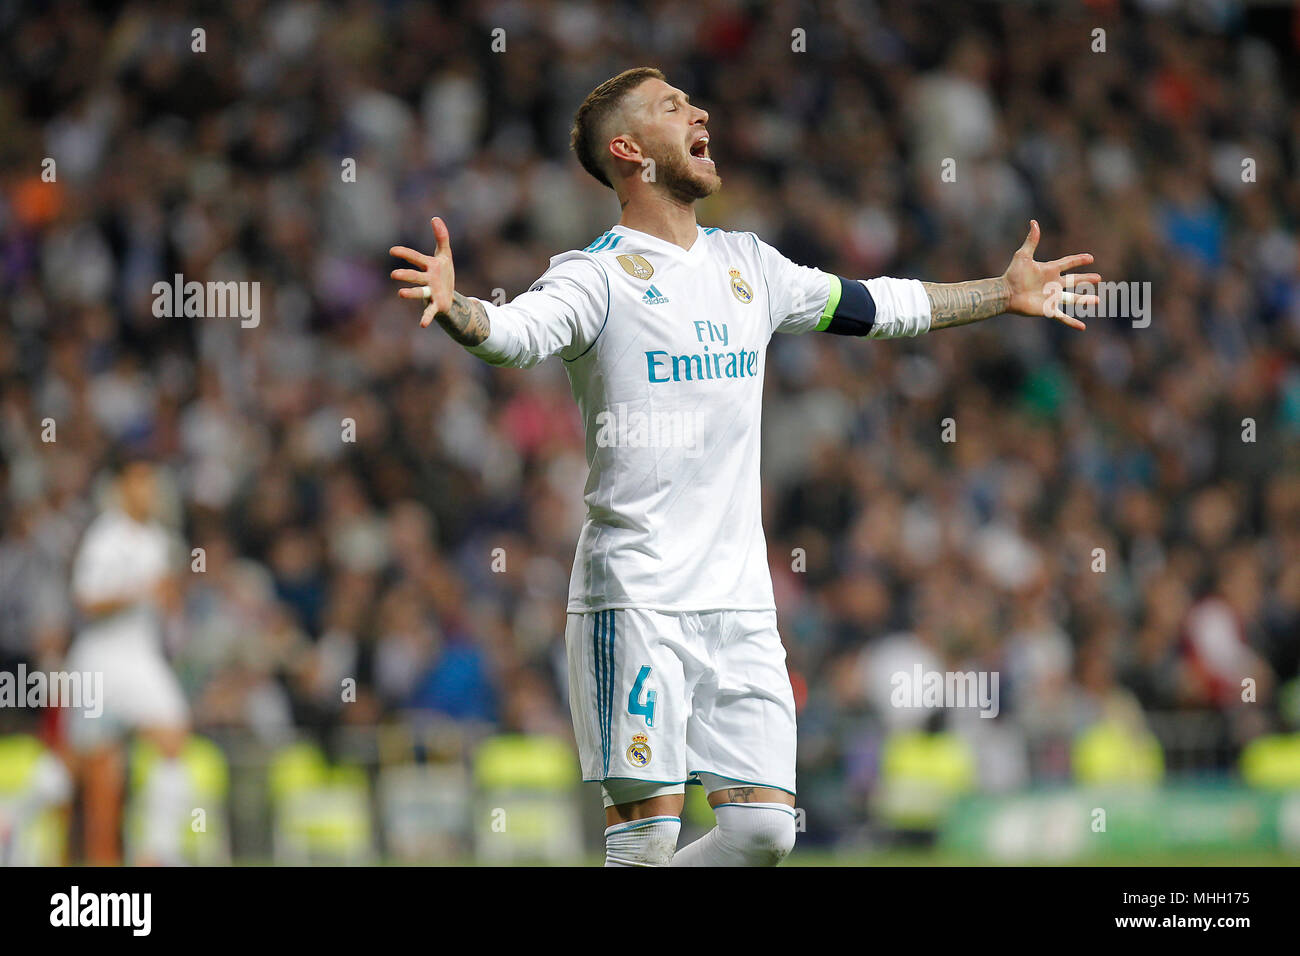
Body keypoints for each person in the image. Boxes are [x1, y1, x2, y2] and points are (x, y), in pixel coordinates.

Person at [389, 67, 1101, 866]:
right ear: (629, 151)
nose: (699, 111)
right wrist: (457, 309)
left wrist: (999, 294)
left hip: (738, 603)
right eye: (672, 108)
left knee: (763, 834)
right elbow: (515, 333)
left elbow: (876, 305)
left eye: (693, 101)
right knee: (647, 839)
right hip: (638, 595)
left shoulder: (750, 267)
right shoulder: (593, 276)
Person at [64, 451, 191, 865]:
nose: (148, 491)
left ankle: (157, 852)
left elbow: (165, 604)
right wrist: (139, 590)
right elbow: (86, 600)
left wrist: (170, 601)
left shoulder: (158, 539)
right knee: (97, 776)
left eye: (151, 481)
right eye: (139, 481)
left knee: (172, 735)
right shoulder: (106, 537)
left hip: (139, 658)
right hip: (100, 660)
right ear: (120, 489)